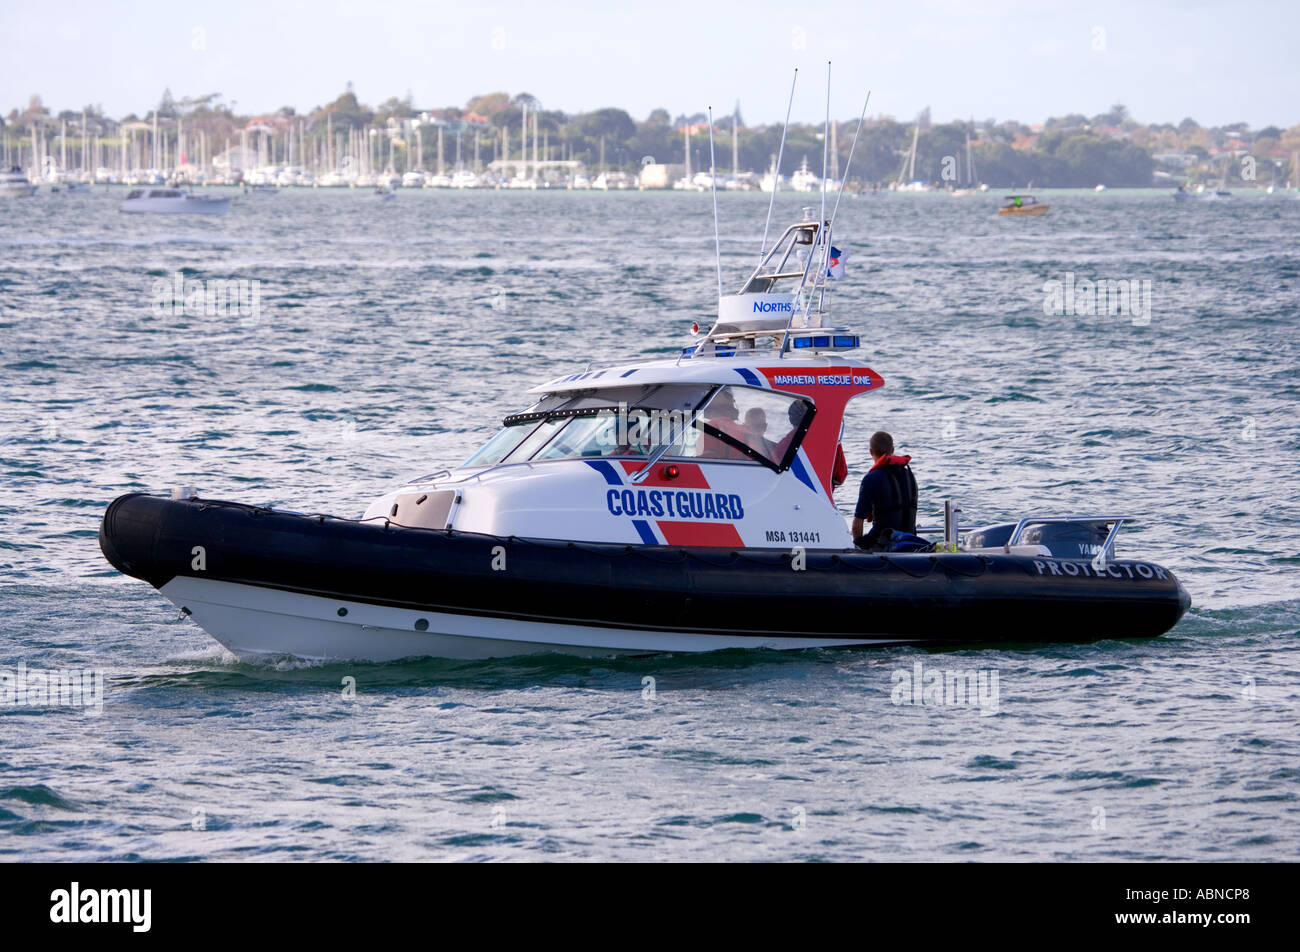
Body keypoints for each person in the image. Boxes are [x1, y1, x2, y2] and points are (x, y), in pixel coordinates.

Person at [851, 431, 918, 550]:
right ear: (892, 450)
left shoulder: (871, 478)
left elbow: (858, 523)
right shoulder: (910, 476)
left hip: (883, 545)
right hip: (910, 542)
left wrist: (857, 548)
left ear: (871, 452)